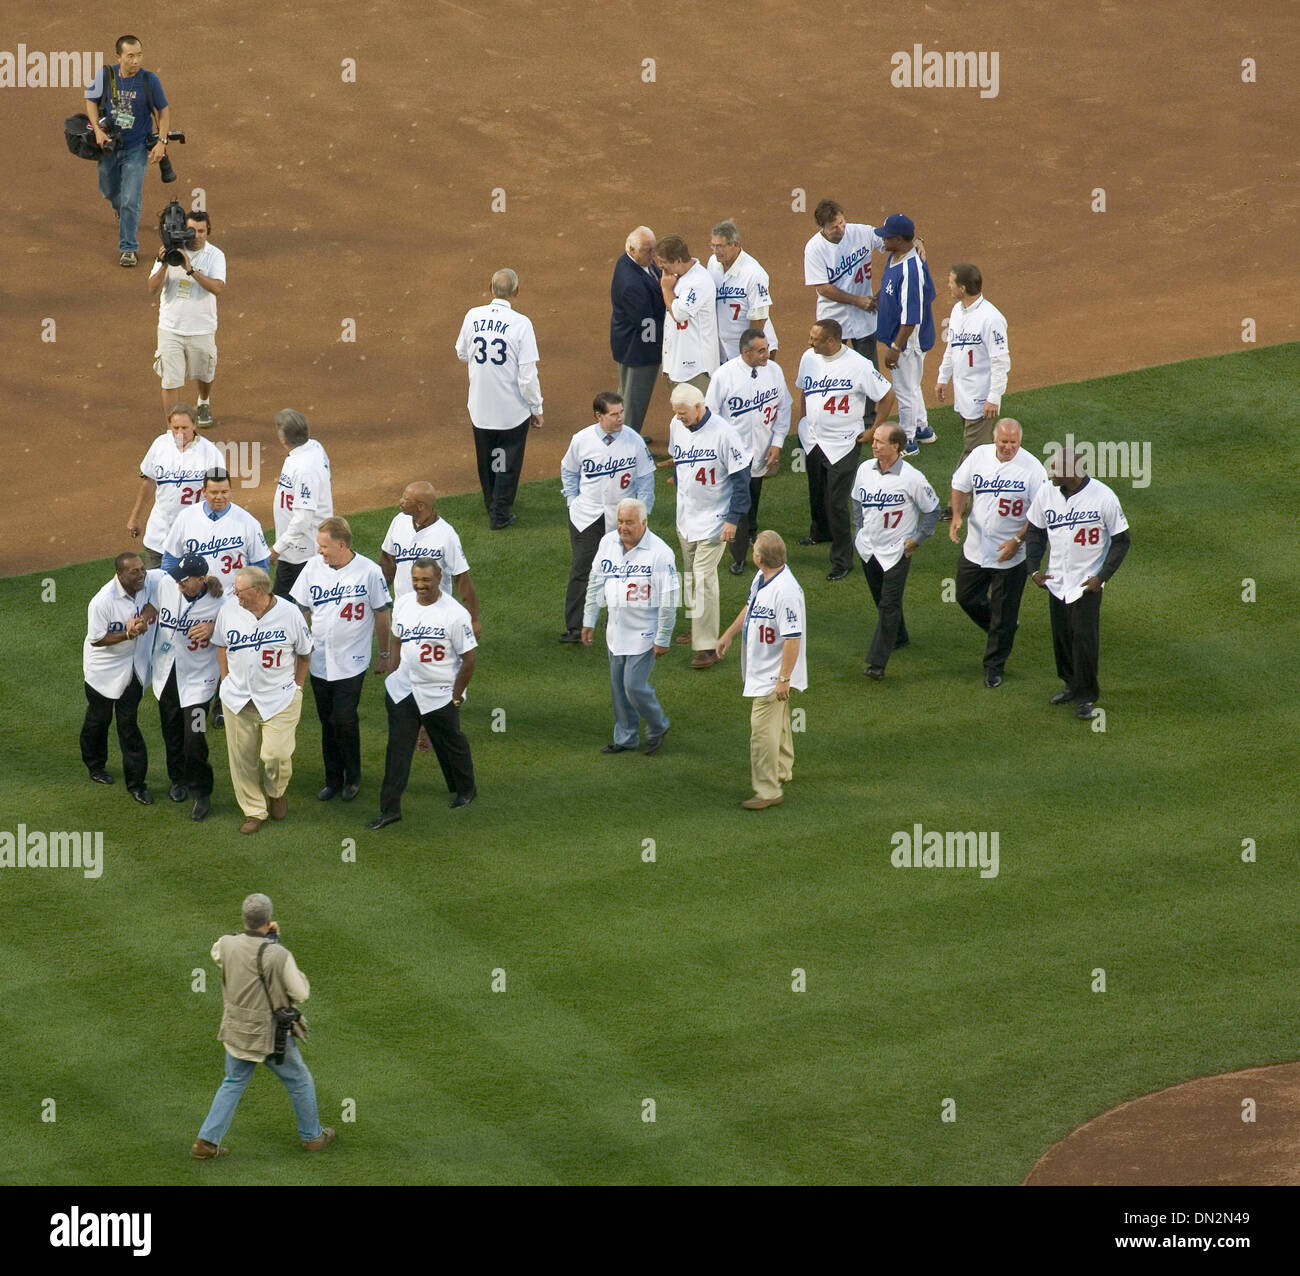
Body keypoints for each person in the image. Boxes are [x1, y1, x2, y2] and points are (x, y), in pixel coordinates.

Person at [191, 893, 334, 1159]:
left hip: (236, 1031)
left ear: (244, 919)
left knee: (233, 1081)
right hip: (270, 1036)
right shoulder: (278, 955)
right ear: (269, 922)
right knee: (299, 1080)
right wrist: (273, 943)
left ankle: (206, 1142)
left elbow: (221, 952)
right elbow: (300, 992)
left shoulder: (226, 944)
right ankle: (313, 1137)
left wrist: (262, 940)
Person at [367, 559, 477, 828]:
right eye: (416, 579)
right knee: (398, 750)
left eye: (426, 580)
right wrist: (393, 673)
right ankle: (390, 809)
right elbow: (396, 640)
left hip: (440, 692)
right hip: (404, 690)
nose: (420, 585)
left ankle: (465, 789)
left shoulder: (455, 614)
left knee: (451, 742)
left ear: (439, 577)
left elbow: (469, 660)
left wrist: (456, 696)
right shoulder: (404, 603)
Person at [290, 517, 393, 802]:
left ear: (342, 545)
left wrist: (384, 654)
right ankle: (333, 778)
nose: (319, 551)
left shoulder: (369, 572)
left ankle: (353, 777)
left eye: (324, 546)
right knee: (327, 721)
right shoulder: (313, 568)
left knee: (344, 718)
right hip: (319, 659)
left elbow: (382, 614)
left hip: (353, 660)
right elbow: (301, 612)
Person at [1024, 449, 1131, 720]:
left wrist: (1102, 577)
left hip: (1086, 583)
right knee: (1062, 637)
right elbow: (1035, 531)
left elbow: (1122, 540)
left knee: (1084, 640)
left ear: (1072, 471)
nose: (1051, 474)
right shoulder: (1047, 494)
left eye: (1056, 470)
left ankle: (1086, 697)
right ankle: (1071, 685)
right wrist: (1033, 568)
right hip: (1056, 581)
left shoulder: (1103, 496)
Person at [793, 319, 896, 580]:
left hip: (844, 441)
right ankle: (820, 532)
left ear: (831, 341)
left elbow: (887, 396)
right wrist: (804, 422)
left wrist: (874, 430)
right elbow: (805, 391)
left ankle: (842, 560)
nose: (809, 342)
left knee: (837, 502)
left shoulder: (859, 365)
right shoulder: (809, 357)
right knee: (816, 491)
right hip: (814, 439)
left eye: (814, 338)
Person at [214, 566, 312, 834]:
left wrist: (298, 687)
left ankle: (277, 791)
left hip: (279, 698)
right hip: (237, 698)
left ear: (258, 591)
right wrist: (225, 680)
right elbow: (221, 644)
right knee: (242, 758)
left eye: (239, 589)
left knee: (276, 754)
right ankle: (254, 811)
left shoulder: (289, 614)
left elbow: (305, 653)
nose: (235, 594)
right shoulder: (229, 610)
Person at [948, 419, 1047, 687]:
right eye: (1004, 442)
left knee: (1004, 611)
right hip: (976, 547)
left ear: (1020, 441)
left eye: (1013, 443)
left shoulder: (1033, 469)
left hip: (1011, 554)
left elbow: (1040, 514)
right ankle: (1002, 628)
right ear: (995, 439)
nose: (1008, 447)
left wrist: (1017, 540)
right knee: (966, 596)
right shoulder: (979, 456)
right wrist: (957, 515)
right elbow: (960, 485)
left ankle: (994, 666)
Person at [715, 530, 807, 810]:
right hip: (767, 668)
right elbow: (750, 608)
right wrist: (729, 634)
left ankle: (768, 791)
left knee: (760, 729)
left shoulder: (786, 591)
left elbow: (793, 637)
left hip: (774, 672)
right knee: (777, 720)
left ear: (758, 558)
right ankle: (782, 769)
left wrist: (783, 679)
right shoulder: (764, 578)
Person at [581, 498, 679, 754]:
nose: (623, 527)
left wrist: (663, 637)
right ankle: (626, 737)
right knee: (618, 688)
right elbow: (595, 582)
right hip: (615, 628)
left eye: (629, 522)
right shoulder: (607, 543)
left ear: (644, 523)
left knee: (633, 685)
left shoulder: (660, 553)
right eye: (620, 521)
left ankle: (658, 725)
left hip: (645, 632)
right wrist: (589, 619)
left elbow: (670, 600)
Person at [665, 383, 751, 669]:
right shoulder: (676, 425)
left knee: (703, 578)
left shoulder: (724, 433)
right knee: (691, 576)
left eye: (684, 413)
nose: (679, 418)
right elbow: (679, 459)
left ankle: (707, 647)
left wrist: (733, 518)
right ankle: (697, 626)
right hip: (686, 517)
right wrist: (679, 480)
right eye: (676, 413)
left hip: (716, 520)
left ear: (699, 406)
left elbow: (741, 480)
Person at [559, 391, 656, 643]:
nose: (620, 418)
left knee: (622, 571)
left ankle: (619, 622)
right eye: (614, 414)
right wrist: (572, 501)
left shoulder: (634, 440)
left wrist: (642, 517)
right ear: (599, 416)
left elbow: (646, 481)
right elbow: (568, 471)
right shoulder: (581, 440)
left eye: (621, 412)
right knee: (583, 568)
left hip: (621, 519)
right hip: (586, 516)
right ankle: (575, 626)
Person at [454, 268, 543, 530]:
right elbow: (527, 375)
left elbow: (461, 353)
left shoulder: (473, 315)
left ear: (489, 287)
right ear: (516, 291)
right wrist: (536, 407)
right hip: (511, 410)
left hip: (480, 406)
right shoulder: (521, 323)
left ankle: (491, 501)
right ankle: (500, 514)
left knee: (488, 458)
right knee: (507, 460)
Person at [851, 424, 941, 681]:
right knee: (881, 600)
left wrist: (917, 540)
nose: (874, 445)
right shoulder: (864, 470)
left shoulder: (912, 478)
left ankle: (877, 663)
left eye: (880, 441)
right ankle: (899, 636)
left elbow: (933, 510)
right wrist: (859, 530)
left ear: (897, 447)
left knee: (889, 605)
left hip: (897, 552)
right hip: (868, 549)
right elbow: (856, 499)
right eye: (874, 440)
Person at [705, 330, 790, 575]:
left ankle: (752, 533)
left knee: (754, 492)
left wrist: (778, 442)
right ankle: (739, 556)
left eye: (766, 348)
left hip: (762, 447)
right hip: (734, 452)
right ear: (746, 352)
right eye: (761, 350)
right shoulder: (724, 376)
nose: (767, 354)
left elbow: (784, 408)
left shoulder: (774, 371)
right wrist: (720, 448)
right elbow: (711, 414)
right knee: (739, 501)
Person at [82, 35, 169, 266]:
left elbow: (163, 111)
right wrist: (99, 132)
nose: (136, 60)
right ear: (118, 57)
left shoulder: (150, 81)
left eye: (139, 54)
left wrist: (161, 141)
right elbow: (91, 101)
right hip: (109, 147)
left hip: (136, 148)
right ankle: (121, 210)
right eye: (130, 56)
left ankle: (128, 248)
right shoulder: (106, 75)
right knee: (107, 189)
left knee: (131, 199)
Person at [150, 552, 224, 819]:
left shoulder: (220, 602)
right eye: (178, 579)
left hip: (199, 680)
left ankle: (201, 792)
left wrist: (214, 627)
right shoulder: (166, 583)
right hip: (167, 674)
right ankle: (177, 779)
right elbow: (133, 582)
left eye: (185, 581)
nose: (179, 584)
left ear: (201, 579)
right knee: (171, 730)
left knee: (194, 736)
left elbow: (243, 622)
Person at [80, 552, 156, 803]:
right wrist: (129, 633)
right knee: (98, 719)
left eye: (142, 569)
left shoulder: (146, 585)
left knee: (128, 724)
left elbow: (153, 603)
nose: (141, 574)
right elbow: (98, 638)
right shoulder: (102, 601)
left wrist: (143, 619)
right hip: (103, 669)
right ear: (120, 574)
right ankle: (95, 765)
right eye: (134, 571)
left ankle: (136, 784)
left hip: (133, 667)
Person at [148, 209, 225, 427]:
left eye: (201, 231)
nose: (197, 235)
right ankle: (173, 428)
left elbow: (217, 288)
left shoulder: (215, 255)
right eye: (192, 230)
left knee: (205, 374)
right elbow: (152, 288)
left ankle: (203, 400)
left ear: (208, 231)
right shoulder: (171, 250)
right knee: (170, 381)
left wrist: (190, 270)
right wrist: (164, 263)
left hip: (202, 328)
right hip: (170, 328)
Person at [125, 405, 224, 569]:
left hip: (195, 538)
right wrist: (135, 517)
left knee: (191, 591)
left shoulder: (210, 453)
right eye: (175, 428)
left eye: (185, 428)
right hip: (159, 536)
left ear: (194, 425)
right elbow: (149, 481)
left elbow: (219, 494)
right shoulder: (160, 445)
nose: (180, 432)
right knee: (157, 590)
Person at [378, 482, 481, 630]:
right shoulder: (398, 521)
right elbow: (387, 564)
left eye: (406, 499)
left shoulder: (446, 534)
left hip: (437, 613)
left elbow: (462, 577)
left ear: (420, 506)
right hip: (403, 611)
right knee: (401, 651)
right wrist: (376, 595)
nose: (401, 502)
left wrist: (474, 619)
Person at [935, 263, 1010, 463]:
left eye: (951, 282)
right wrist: (943, 378)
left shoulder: (991, 319)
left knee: (973, 456)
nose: (948, 285)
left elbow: (1000, 361)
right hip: (963, 394)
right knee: (982, 453)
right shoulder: (957, 311)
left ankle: (959, 492)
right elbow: (952, 347)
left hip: (981, 396)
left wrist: (994, 396)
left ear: (963, 288)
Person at [876, 213, 938, 456]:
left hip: (907, 341)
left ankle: (908, 439)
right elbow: (891, 287)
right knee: (911, 385)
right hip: (900, 338)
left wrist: (895, 347)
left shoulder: (912, 269)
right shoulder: (896, 255)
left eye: (887, 237)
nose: (883, 241)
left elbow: (912, 317)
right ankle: (922, 428)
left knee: (905, 389)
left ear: (900, 239)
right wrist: (878, 297)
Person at [162, 468, 271, 596]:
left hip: (234, 600)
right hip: (194, 598)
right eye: (214, 492)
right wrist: (176, 589)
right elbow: (170, 559)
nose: (219, 497)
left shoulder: (248, 523)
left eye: (224, 492)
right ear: (204, 492)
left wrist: (248, 595)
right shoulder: (185, 517)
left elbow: (260, 566)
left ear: (231, 491)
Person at [803, 200, 885, 363]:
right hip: (833, 318)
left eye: (841, 222)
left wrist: (915, 241)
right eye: (834, 227)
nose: (841, 228)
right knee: (833, 369)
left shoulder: (861, 232)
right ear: (822, 227)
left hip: (865, 316)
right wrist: (857, 301)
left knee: (868, 370)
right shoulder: (814, 248)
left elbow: (893, 242)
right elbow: (823, 288)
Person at [268, 409, 333, 601]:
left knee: (285, 605)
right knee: (290, 604)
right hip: (295, 547)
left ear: (282, 438)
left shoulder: (304, 469)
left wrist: (277, 548)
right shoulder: (314, 447)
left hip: (304, 550)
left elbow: (303, 519)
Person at [610, 225, 665, 441]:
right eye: (647, 251)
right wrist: (672, 336)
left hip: (632, 344)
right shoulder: (631, 282)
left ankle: (624, 433)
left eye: (653, 249)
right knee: (634, 398)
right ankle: (626, 442)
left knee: (627, 394)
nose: (652, 256)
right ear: (632, 250)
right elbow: (647, 324)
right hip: (639, 349)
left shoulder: (636, 263)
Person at [706, 221, 778, 362]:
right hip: (724, 348)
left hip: (751, 349)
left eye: (720, 246)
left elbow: (759, 317)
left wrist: (749, 351)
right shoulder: (713, 263)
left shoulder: (754, 273)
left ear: (736, 244)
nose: (715, 251)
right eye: (713, 246)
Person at [654, 233, 719, 391]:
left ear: (677, 261)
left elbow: (679, 314)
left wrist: (666, 289)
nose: (660, 266)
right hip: (678, 364)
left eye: (663, 262)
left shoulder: (698, 282)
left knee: (697, 414)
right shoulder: (678, 276)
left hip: (695, 369)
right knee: (682, 414)